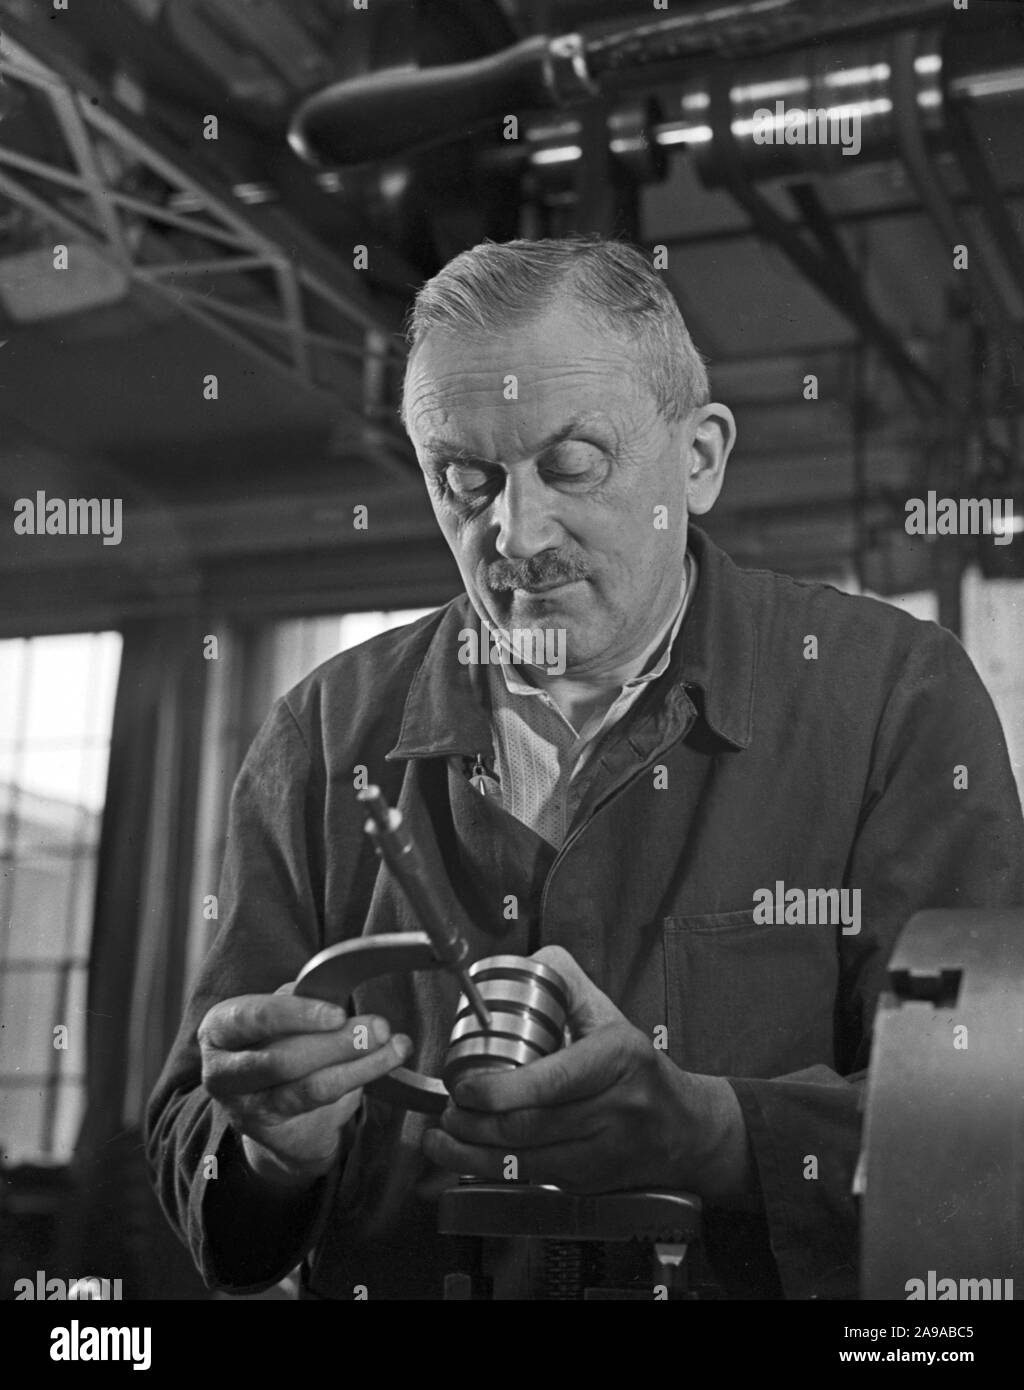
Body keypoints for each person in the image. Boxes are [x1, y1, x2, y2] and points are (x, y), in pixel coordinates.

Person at [146, 236, 1024, 1300]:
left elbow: (989, 1135)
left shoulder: (892, 699)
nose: (515, 533)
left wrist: (717, 1133)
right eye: (463, 481)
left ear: (698, 461)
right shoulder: (323, 734)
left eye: (571, 465)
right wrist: (271, 1152)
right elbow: (201, 1164)